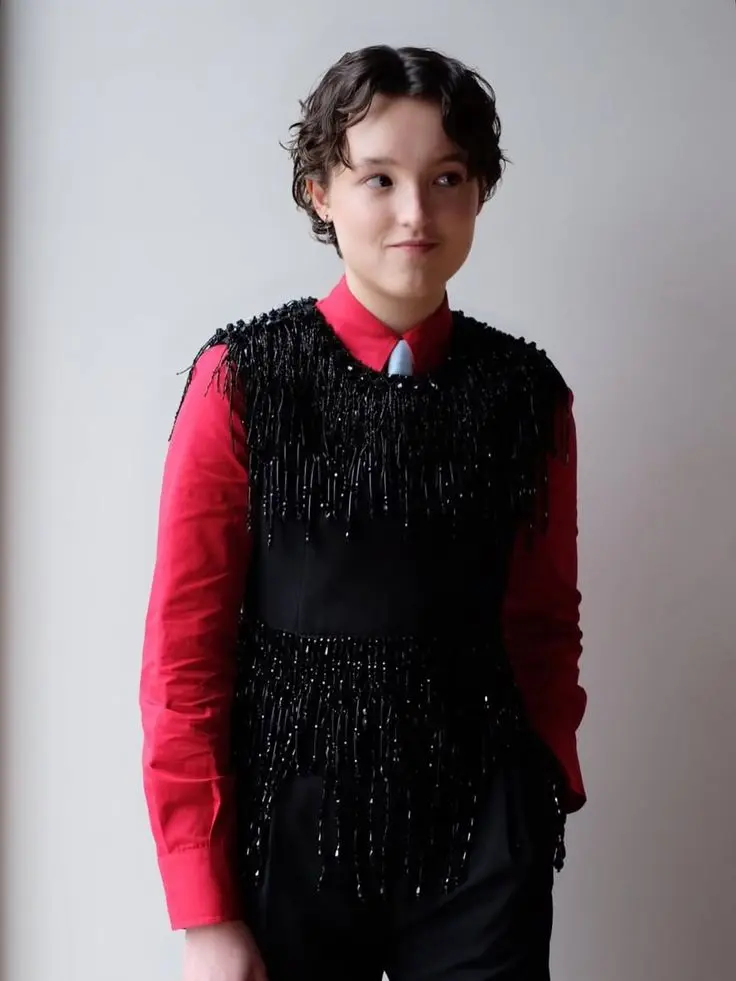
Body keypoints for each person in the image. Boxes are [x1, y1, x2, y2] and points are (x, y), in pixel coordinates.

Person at [139, 43, 587, 981]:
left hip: (482, 834)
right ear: (320, 192)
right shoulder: (244, 381)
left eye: (447, 178)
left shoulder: (526, 394)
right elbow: (185, 652)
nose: (416, 212)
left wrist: (544, 780)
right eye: (379, 178)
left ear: (479, 191)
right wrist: (203, 909)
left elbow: (543, 620)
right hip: (287, 837)